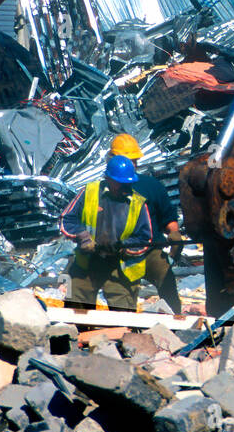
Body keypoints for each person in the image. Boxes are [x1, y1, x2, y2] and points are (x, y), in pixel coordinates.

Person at [59, 155, 161, 311]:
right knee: (77, 311)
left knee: (123, 315)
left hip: (119, 266)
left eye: (128, 183)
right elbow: (66, 220)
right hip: (88, 262)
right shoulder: (90, 192)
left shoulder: (138, 203)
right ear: (108, 178)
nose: (125, 187)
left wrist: (125, 247)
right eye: (121, 183)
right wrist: (83, 237)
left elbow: (144, 238)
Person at [109, 133, 184, 313]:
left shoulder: (152, 186)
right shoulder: (105, 188)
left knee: (168, 288)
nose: (131, 165)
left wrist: (174, 234)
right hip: (121, 255)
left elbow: (168, 217)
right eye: (128, 160)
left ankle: (176, 324)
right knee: (120, 304)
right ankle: (124, 330)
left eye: (134, 161)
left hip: (152, 251)